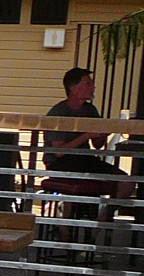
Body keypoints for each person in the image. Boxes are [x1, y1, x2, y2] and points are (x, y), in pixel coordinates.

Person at [42, 65, 131, 200]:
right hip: (60, 163)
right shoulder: (58, 113)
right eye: (88, 84)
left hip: (84, 159)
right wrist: (87, 135)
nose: (93, 87)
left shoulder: (90, 110)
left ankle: (105, 212)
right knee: (91, 183)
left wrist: (104, 134)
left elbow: (97, 145)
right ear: (73, 88)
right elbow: (58, 152)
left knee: (127, 182)